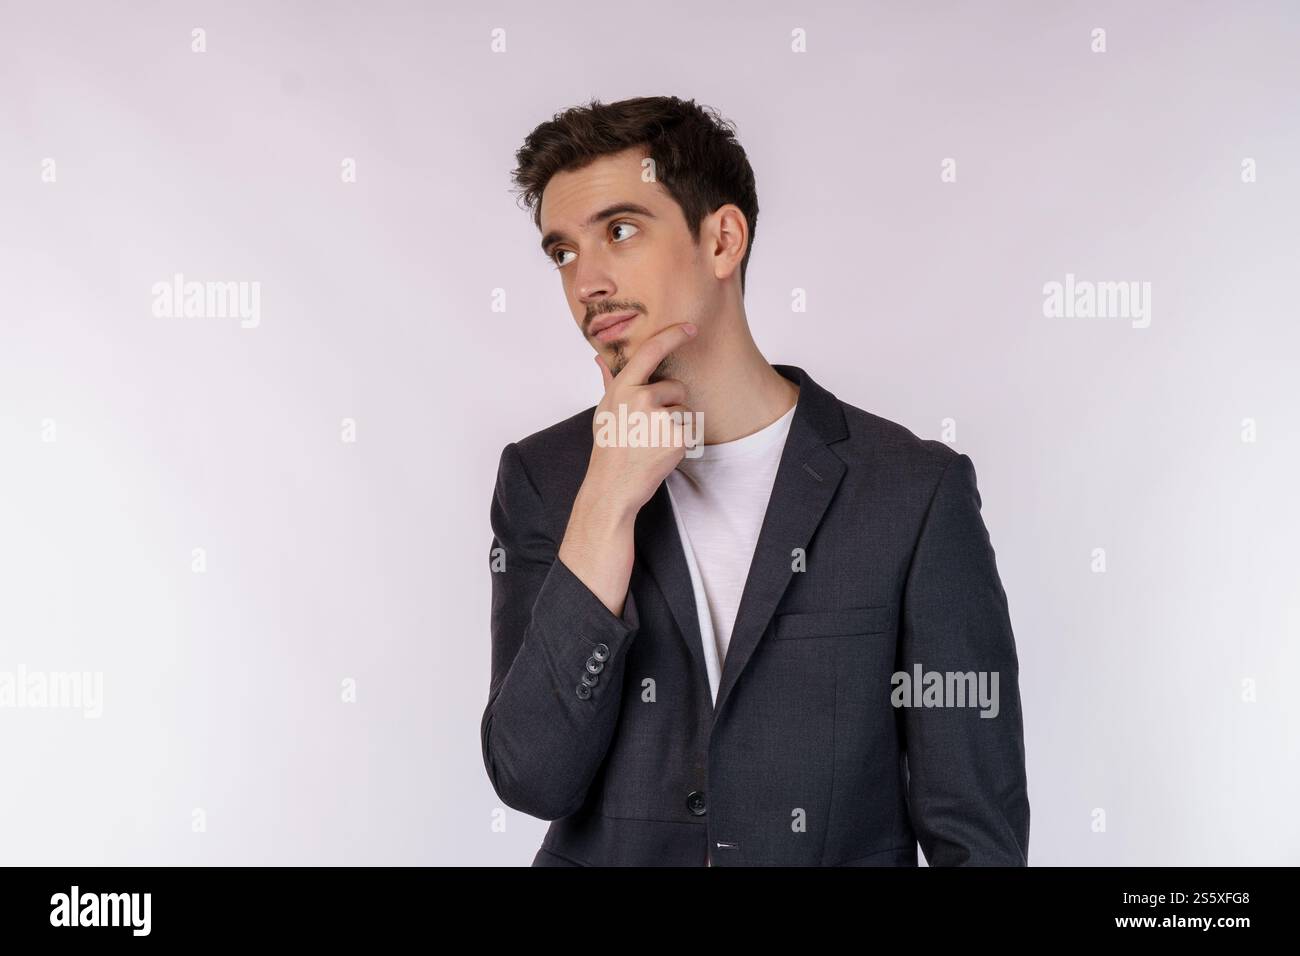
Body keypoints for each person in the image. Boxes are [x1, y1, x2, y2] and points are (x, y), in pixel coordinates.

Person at [481, 95, 1029, 866]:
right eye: (563, 251)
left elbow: (975, 833)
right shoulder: (545, 477)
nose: (587, 282)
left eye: (621, 230)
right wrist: (604, 504)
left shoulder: (912, 492)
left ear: (722, 239)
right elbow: (532, 777)